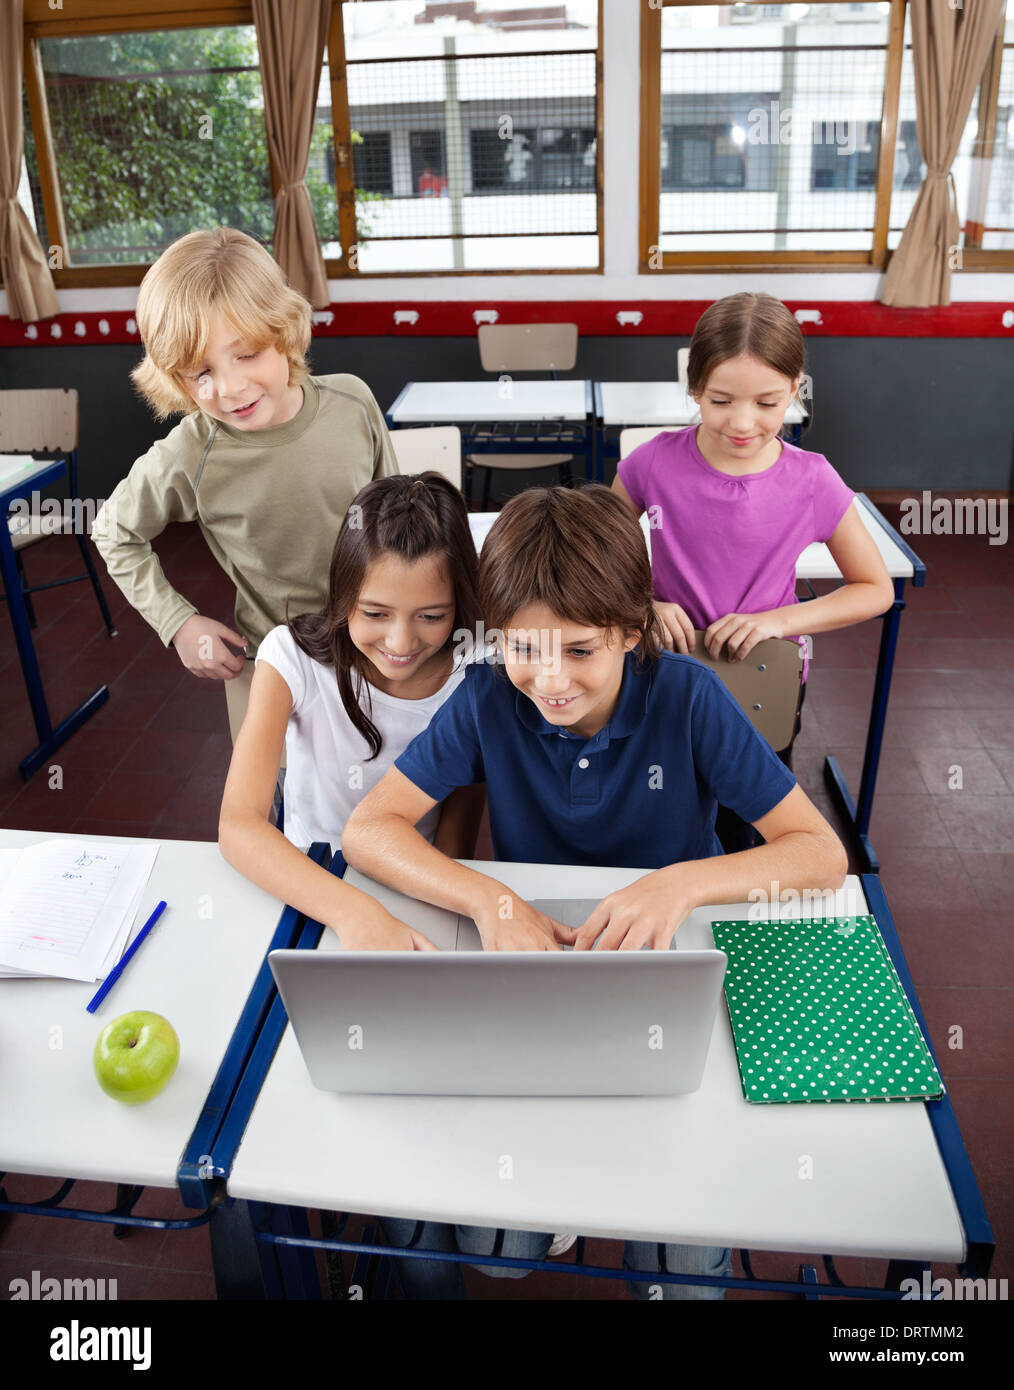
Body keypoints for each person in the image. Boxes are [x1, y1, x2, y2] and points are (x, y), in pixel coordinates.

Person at [341, 484, 848, 1299]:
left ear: (631, 632)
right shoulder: (486, 696)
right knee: (496, 1252)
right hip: (543, 969)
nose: (550, 681)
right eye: (524, 649)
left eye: (580, 651)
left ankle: (658, 1199)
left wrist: (681, 884)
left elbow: (822, 856)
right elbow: (369, 830)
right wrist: (489, 900)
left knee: (681, 1282)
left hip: (673, 969)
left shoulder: (687, 696)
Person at [91, 227, 399, 742]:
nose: (229, 387)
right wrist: (179, 623)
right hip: (280, 671)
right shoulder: (190, 452)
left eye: (248, 353)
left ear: (284, 332)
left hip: (385, 653)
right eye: (199, 372)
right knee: (285, 809)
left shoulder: (353, 402)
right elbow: (114, 532)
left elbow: (401, 519)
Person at [612, 290, 893, 755]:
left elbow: (875, 588)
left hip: (764, 676)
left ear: (795, 389)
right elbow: (595, 563)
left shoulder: (813, 479)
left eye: (766, 404)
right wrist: (642, 606)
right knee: (664, 804)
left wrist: (776, 622)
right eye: (721, 400)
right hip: (666, 667)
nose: (743, 423)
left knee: (750, 815)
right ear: (695, 387)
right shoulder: (649, 464)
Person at [219, 473, 485, 943]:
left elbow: (457, 828)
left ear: (459, 605)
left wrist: (434, 911)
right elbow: (239, 825)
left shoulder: (478, 673)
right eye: (375, 613)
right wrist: (354, 913)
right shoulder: (290, 657)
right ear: (344, 595)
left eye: (431, 616)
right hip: (306, 877)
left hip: (418, 879)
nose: (401, 642)